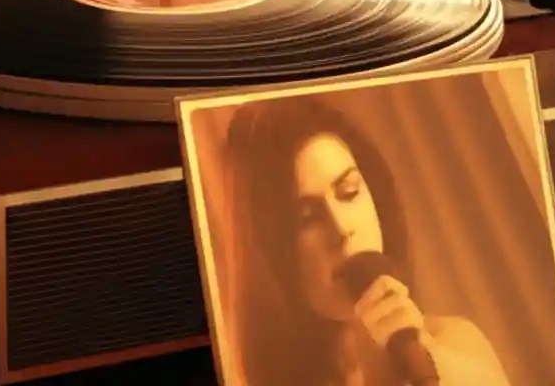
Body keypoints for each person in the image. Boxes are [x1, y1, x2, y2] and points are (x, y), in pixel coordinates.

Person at [218, 97, 511, 386]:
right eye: (307, 218)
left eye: (349, 191)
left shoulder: (458, 346)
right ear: (270, 253)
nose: (342, 228)